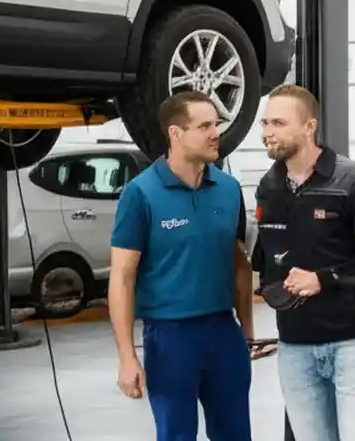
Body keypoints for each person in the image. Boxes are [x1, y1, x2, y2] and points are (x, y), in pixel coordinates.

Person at [108, 90, 256, 441]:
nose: (215, 132)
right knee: (176, 435)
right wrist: (127, 357)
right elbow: (122, 278)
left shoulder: (229, 189)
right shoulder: (140, 194)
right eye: (204, 126)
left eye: (216, 124)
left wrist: (246, 330)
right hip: (170, 337)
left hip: (224, 332)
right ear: (175, 134)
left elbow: (239, 263)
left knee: (236, 434)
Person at [252, 84, 355, 441]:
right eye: (266, 122)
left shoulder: (353, 181)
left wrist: (323, 279)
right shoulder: (269, 188)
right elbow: (267, 262)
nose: (268, 132)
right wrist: (275, 289)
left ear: (308, 126)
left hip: (353, 345)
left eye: (279, 123)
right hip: (295, 347)